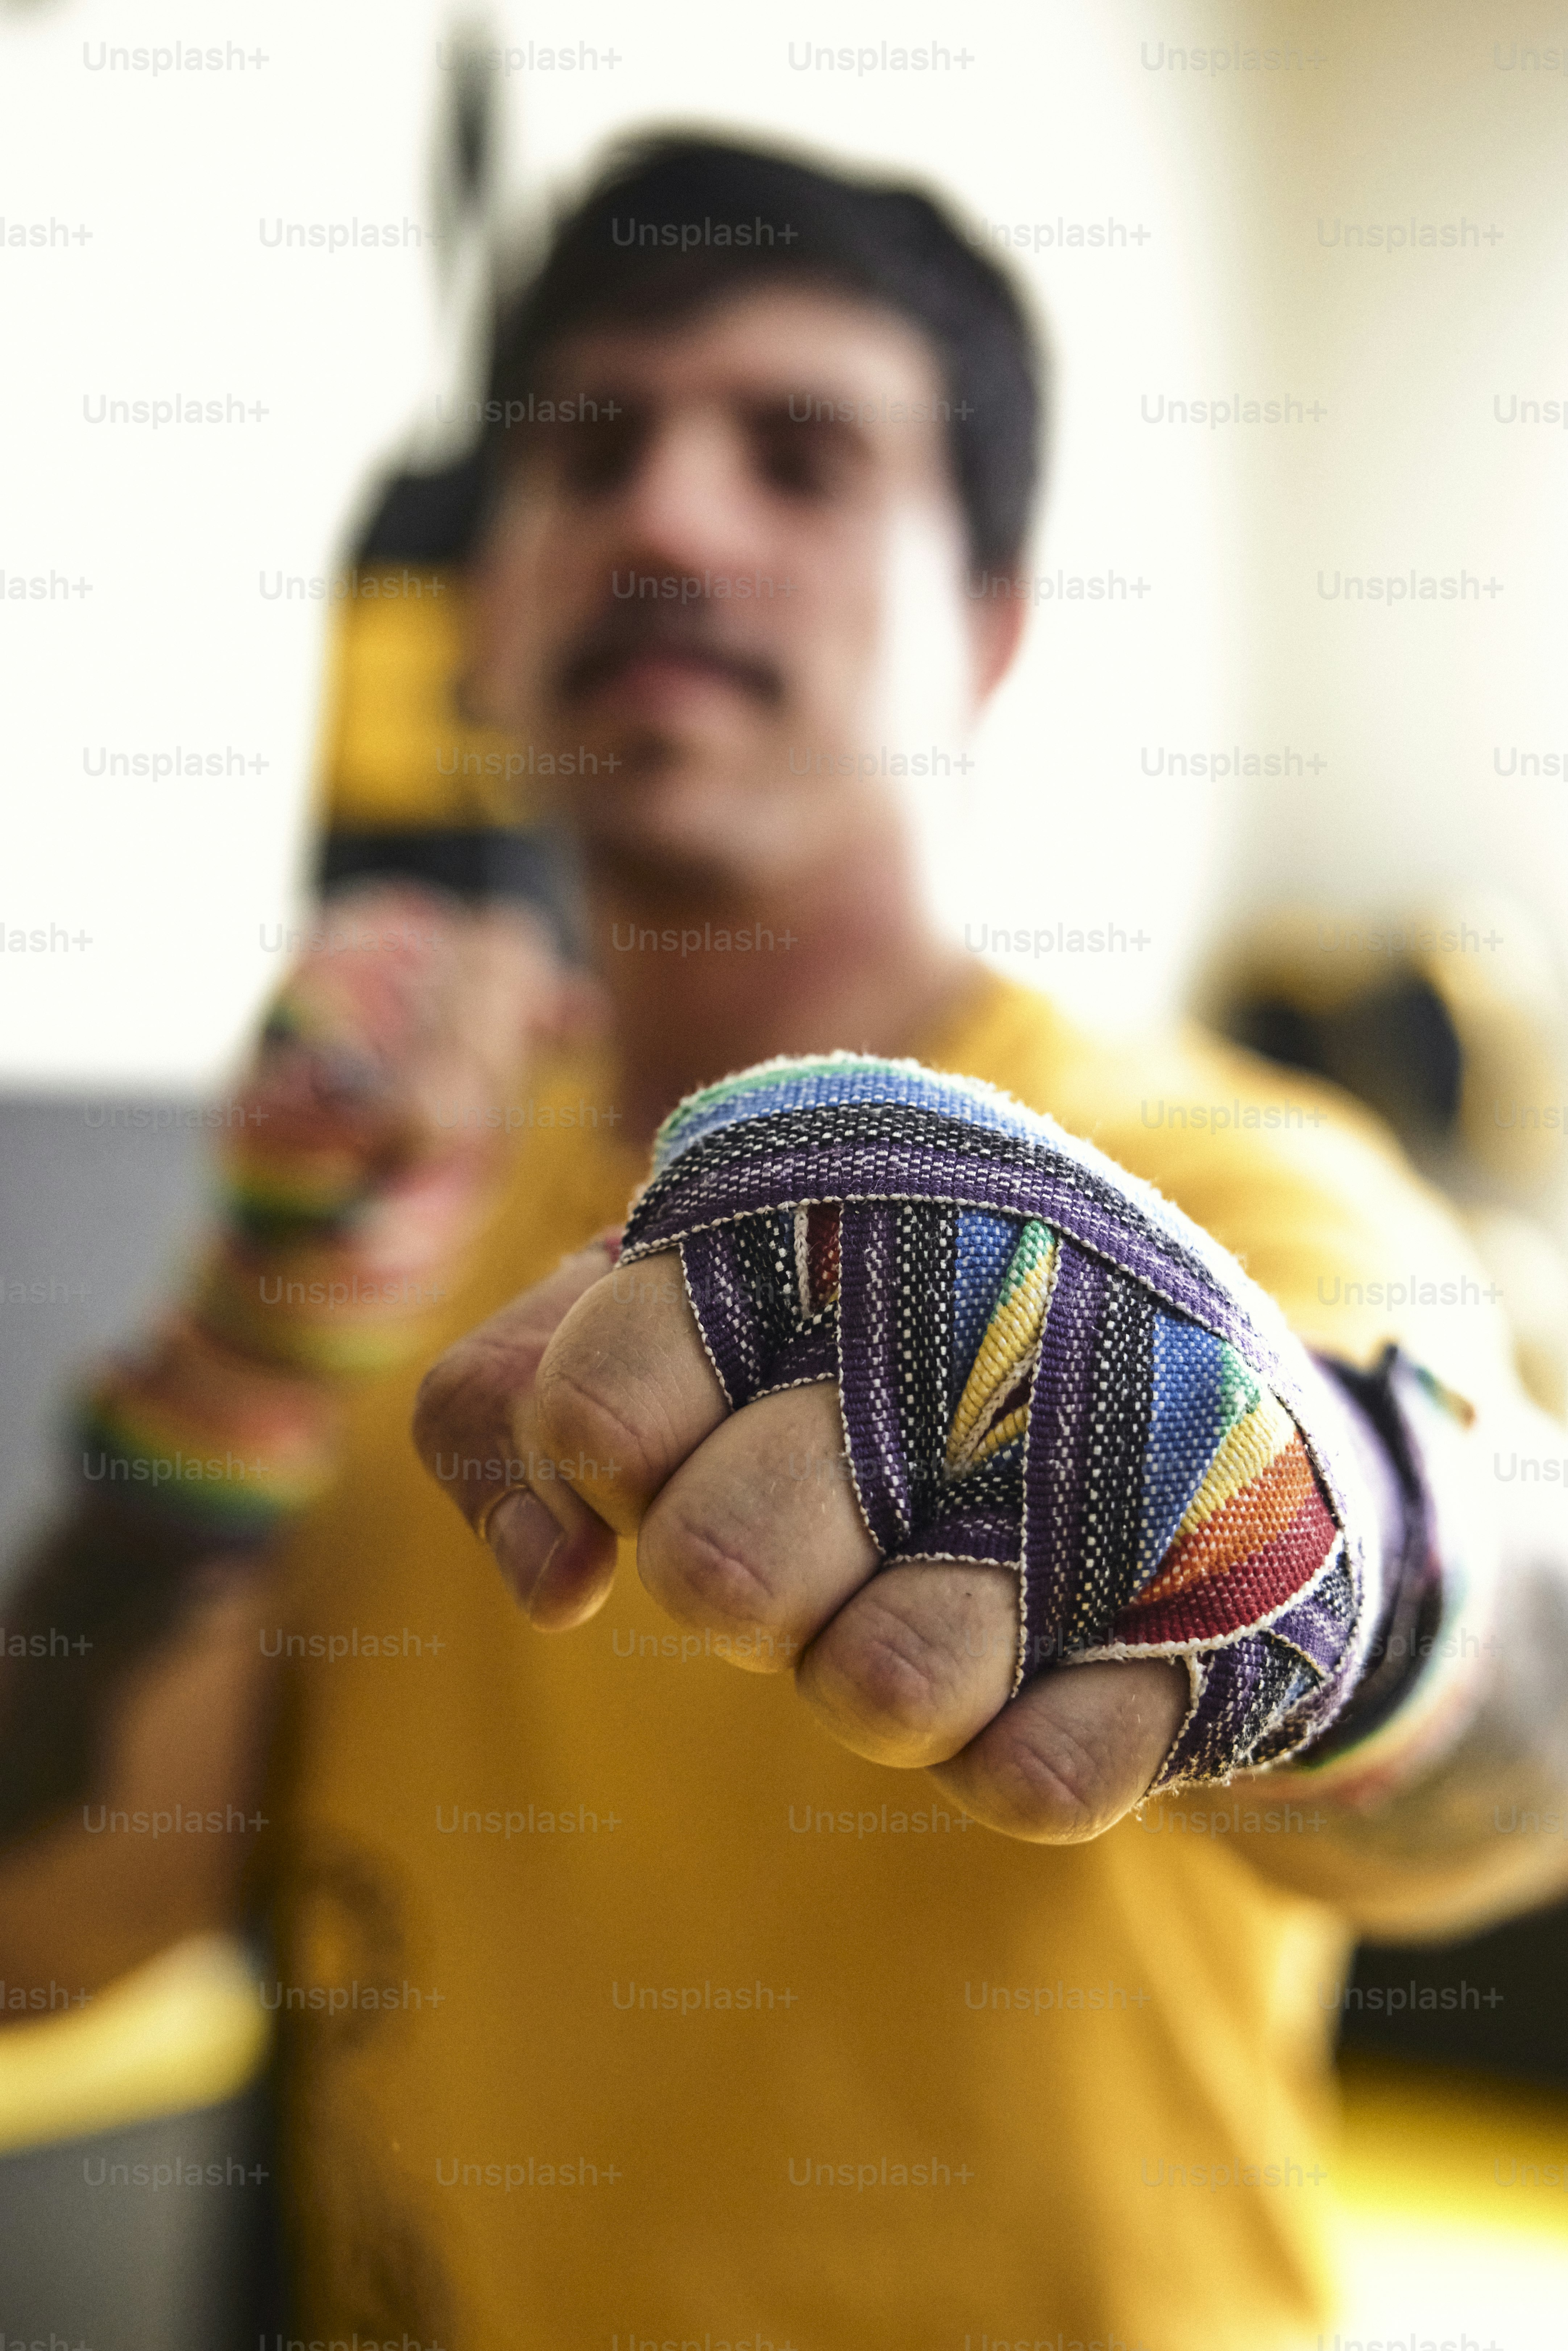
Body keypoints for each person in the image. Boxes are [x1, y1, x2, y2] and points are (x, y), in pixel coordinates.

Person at [4, 135, 1568, 2351]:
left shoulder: (1204, 1177)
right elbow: (44, 1935)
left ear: (992, 627)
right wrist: (257, 1333)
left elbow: (1531, 1711)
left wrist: (1343, 1547)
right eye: (591, 450)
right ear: (493, 604)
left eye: (802, 453)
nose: (666, 516)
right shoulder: (381, 1216)